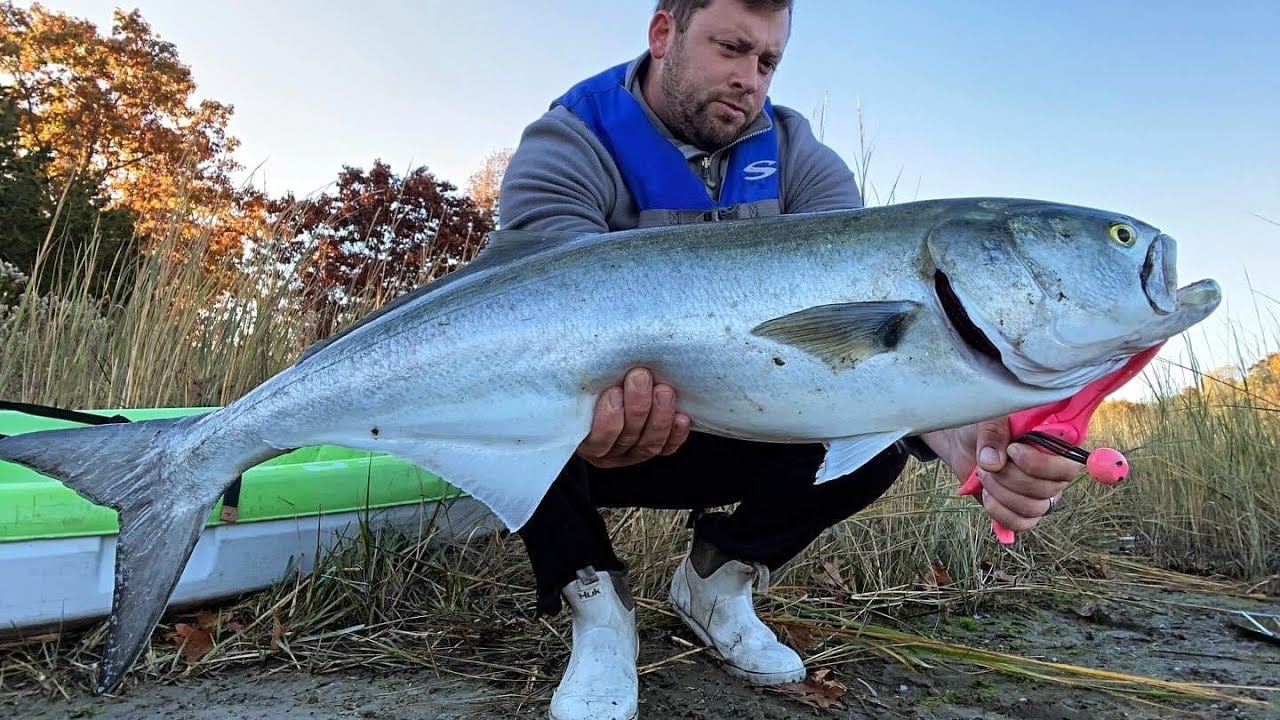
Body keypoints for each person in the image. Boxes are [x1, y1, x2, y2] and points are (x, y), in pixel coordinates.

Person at [497, 2, 1081, 718]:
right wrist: (589, 406)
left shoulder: (805, 165)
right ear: (662, 35)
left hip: (738, 425)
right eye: (731, 49)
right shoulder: (568, 143)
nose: (749, 79)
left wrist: (960, 429)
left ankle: (717, 580)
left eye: (767, 62)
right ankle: (596, 605)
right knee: (503, 397)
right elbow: (536, 310)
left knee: (882, 442)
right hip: (589, 439)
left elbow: (868, 352)